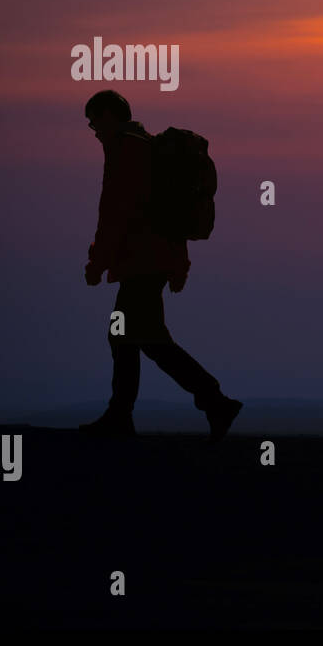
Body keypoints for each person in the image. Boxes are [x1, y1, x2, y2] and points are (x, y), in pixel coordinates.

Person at [78, 90, 242, 441]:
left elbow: (115, 214)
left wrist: (97, 263)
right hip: (152, 263)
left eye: (94, 122)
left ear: (108, 116)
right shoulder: (147, 147)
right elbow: (166, 213)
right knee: (139, 338)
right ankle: (205, 402)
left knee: (133, 337)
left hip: (141, 264)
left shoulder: (126, 151)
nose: (93, 130)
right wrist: (178, 265)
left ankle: (211, 399)